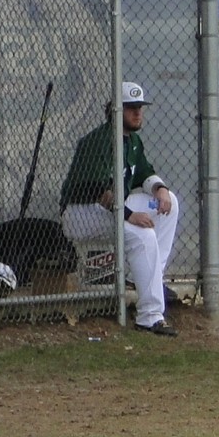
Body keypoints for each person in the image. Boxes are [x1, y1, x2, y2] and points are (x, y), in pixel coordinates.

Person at [59, 79, 181, 335]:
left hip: (112, 208)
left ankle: (147, 281)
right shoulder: (99, 140)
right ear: (116, 110)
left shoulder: (133, 141)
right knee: (142, 234)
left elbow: (145, 174)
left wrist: (160, 189)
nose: (138, 113)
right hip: (82, 213)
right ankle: (149, 316)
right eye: (131, 108)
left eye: (140, 107)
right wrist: (129, 215)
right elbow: (97, 191)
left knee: (170, 202)